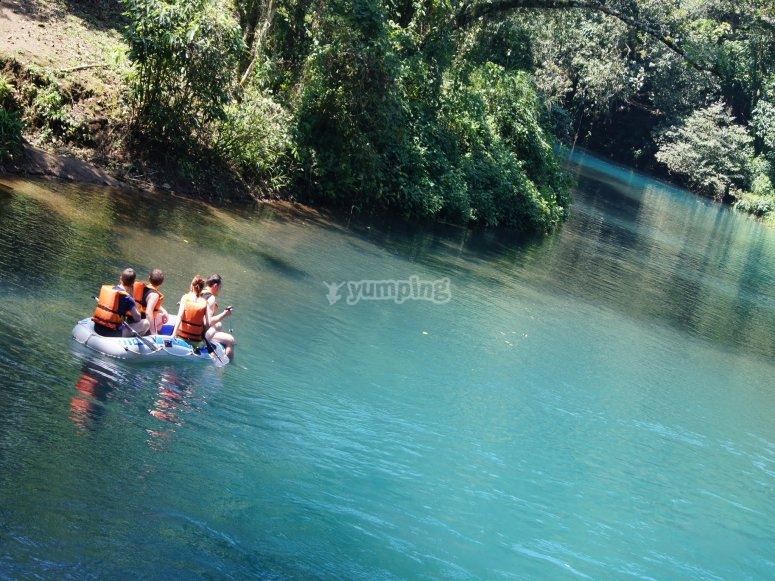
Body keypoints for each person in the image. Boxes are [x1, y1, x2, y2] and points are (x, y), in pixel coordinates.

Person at [92, 267, 150, 337]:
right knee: (146, 323)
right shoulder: (128, 298)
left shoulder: (111, 290)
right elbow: (137, 318)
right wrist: (132, 296)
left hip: (97, 328)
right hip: (111, 334)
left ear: (120, 279)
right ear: (133, 283)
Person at [202, 273, 235, 361]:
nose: (220, 290)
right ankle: (227, 364)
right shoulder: (211, 298)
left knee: (219, 325)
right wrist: (224, 314)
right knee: (231, 340)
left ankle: (214, 346)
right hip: (200, 333)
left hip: (192, 327)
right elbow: (206, 322)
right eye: (220, 287)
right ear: (215, 286)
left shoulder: (199, 290)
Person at [171, 275, 210, 345]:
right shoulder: (205, 303)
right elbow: (208, 323)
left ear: (192, 286)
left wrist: (173, 335)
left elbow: (179, 317)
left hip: (181, 337)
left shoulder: (185, 298)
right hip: (196, 340)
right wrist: (203, 337)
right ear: (202, 288)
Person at [133, 268, 169, 335]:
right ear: (161, 283)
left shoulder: (143, 289)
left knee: (161, 316)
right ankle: (150, 333)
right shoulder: (154, 295)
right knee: (158, 319)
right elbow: (148, 313)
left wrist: (164, 311)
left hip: (134, 319)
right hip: (142, 322)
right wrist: (153, 333)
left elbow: (147, 302)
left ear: (149, 278)